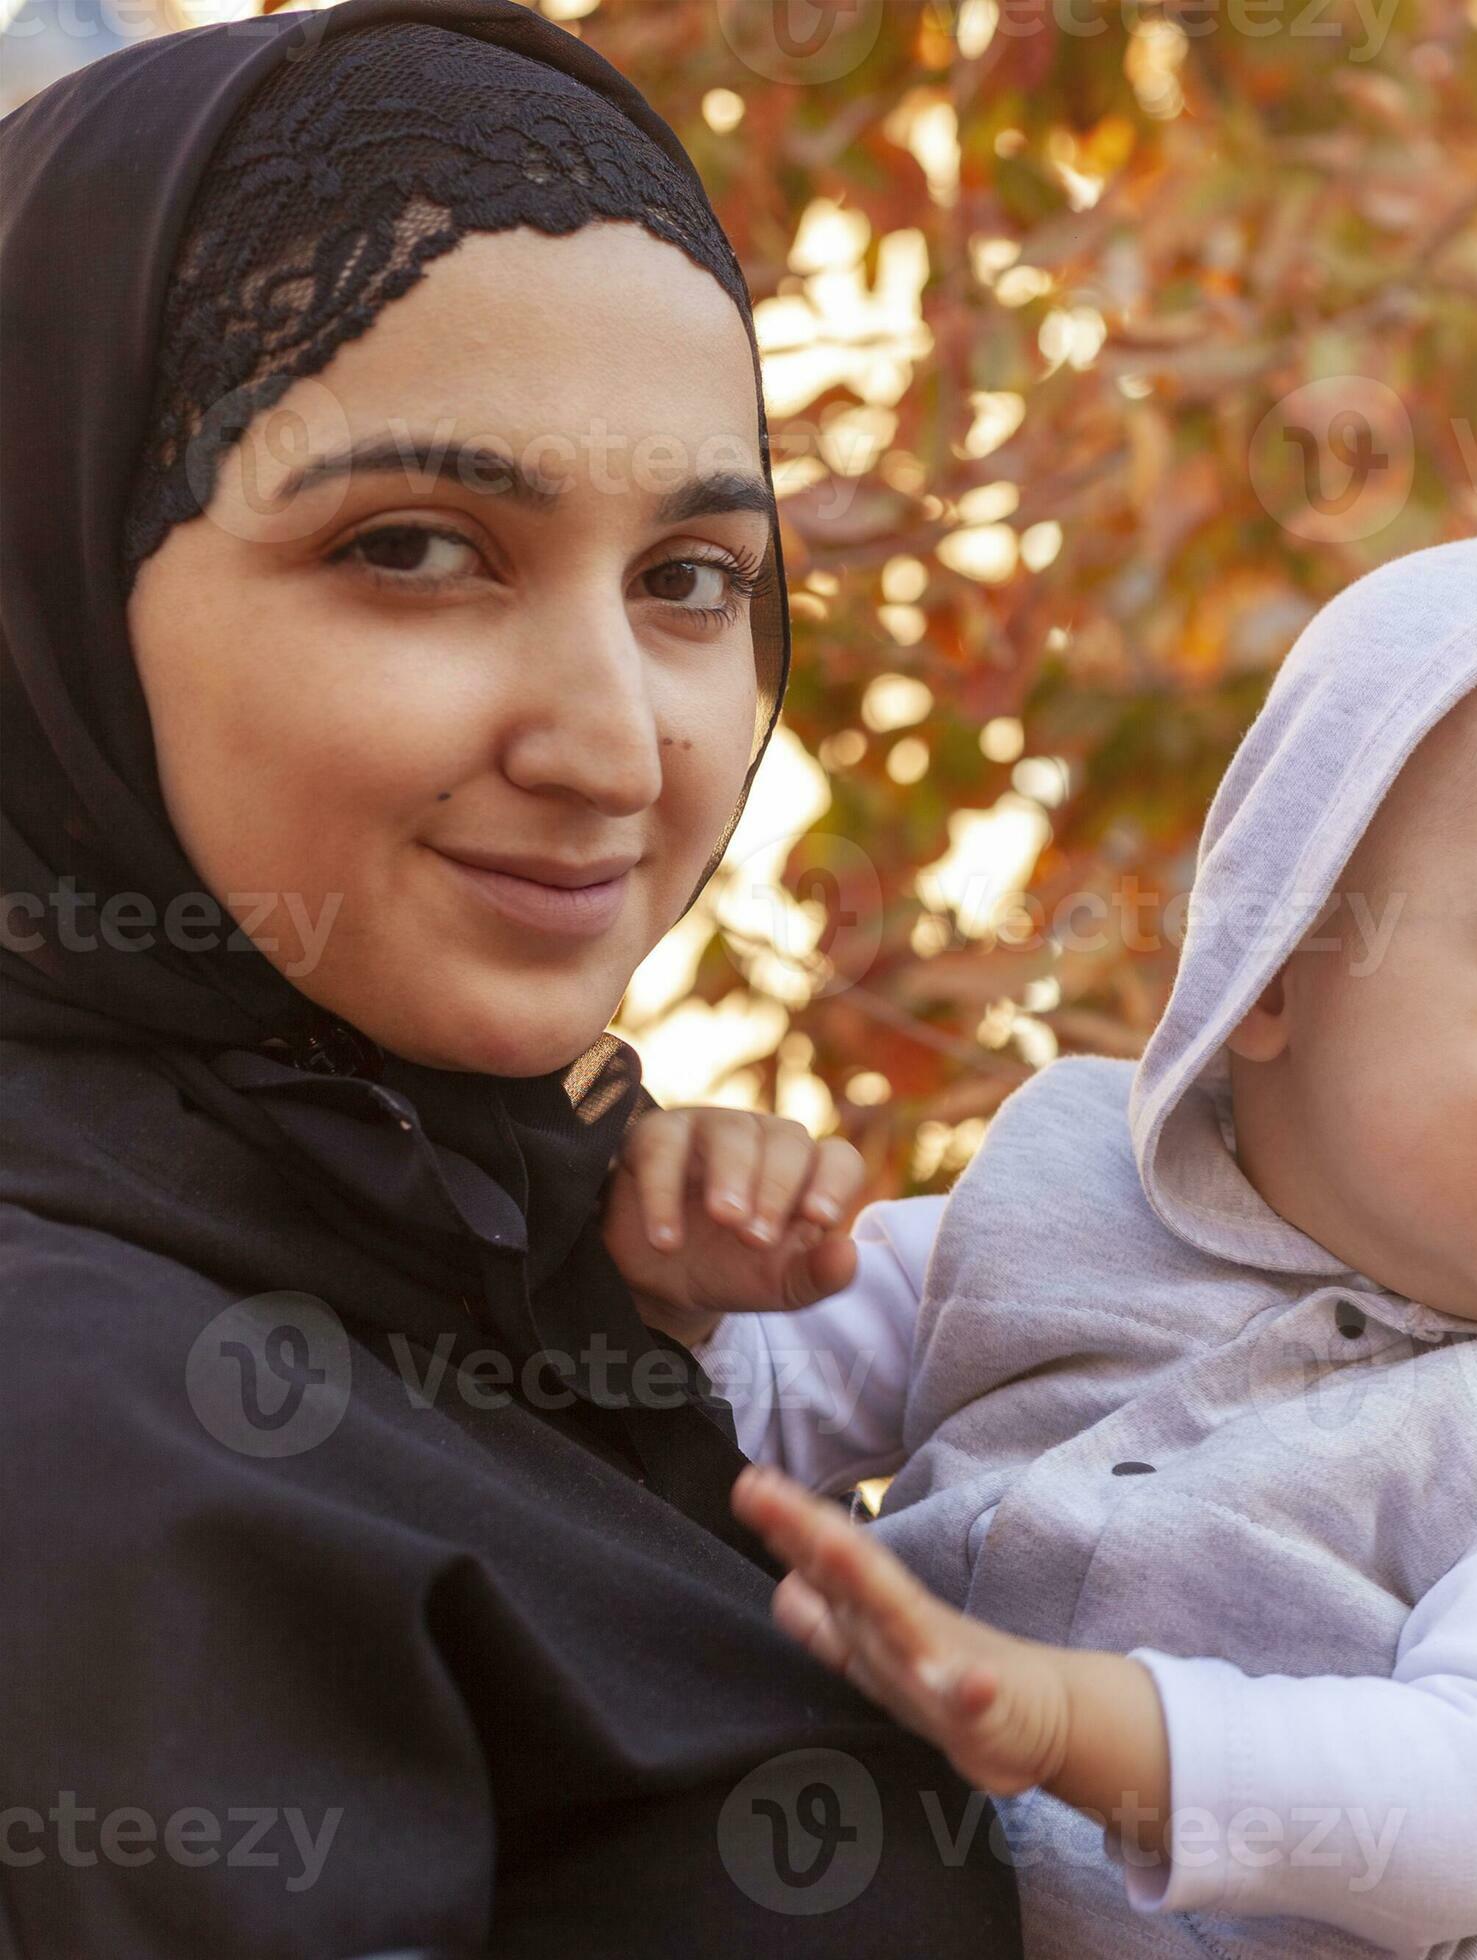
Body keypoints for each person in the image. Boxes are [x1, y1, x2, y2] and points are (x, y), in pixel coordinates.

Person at [0, 2, 1023, 1951]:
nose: (618, 743)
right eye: (414, 545)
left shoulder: (516, 1245)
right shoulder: (85, 1420)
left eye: (692, 578)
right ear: (47, 571)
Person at [612, 537, 1477, 1956]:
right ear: (1282, 965)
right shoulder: (1064, 1194)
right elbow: (731, 1442)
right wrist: (704, 1286)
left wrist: (1079, 1724)